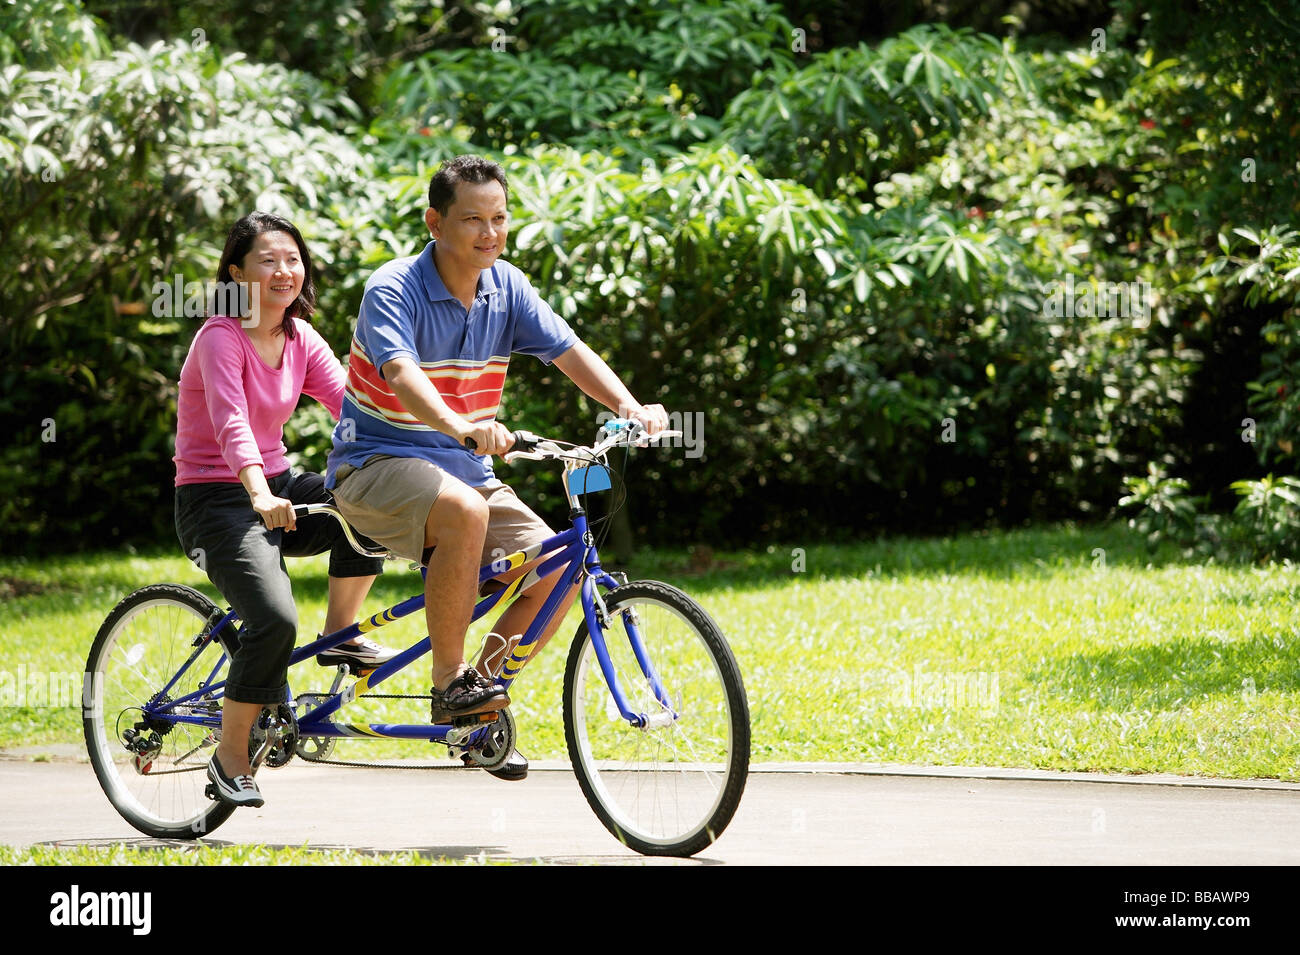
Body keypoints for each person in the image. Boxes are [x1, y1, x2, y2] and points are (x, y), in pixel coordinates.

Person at [325, 155, 667, 781]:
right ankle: (449, 680)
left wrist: (628, 405)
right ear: (435, 223)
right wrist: (458, 426)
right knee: (465, 510)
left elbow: (568, 350)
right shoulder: (393, 287)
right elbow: (400, 375)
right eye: (472, 219)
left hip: (465, 471)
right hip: (374, 466)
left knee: (560, 565)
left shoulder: (506, 286)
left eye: (500, 219)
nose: (490, 233)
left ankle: (477, 712)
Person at [174, 211, 396, 808]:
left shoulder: (299, 337)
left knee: (369, 500)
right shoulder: (219, 336)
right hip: (217, 501)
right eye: (267, 260)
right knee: (273, 622)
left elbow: (358, 403)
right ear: (235, 272)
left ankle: (339, 635)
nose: (283, 270)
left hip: (274, 487)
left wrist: (443, 437)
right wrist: (259, 494)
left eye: (292, 259)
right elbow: (230, 422)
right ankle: (230, 758)